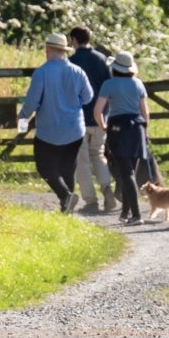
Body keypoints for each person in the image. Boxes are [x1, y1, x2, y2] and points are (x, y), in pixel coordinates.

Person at [18, 33, 94, 214]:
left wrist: (22, 118)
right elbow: (88, 97)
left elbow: (32, 102)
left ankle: (65, 196)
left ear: (48, 49)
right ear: (63, 50)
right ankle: (66, 208)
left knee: (44, 167)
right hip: (75, 129)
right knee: (68, 168)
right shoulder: (78, 71)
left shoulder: (42, 72)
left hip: (49, 130)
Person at [95, 51, 152, 223]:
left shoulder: (109, 84)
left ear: (114, 68)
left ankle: (136, 214)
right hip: (137, 128)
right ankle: (125, 213)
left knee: (126, 174)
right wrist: (145, 132)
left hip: (118, 129)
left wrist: (104, 126)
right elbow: (145, 112)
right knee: (131, 173)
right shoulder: (138, 83)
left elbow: (97, 111)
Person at [65, 26, 114, 214]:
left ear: (74, 40)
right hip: (101, 117)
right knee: (99, 155)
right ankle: (107, 190)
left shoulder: (72, 62)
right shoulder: (102, 60)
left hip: (79, 119)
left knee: (82, 161)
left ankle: (91, 200)